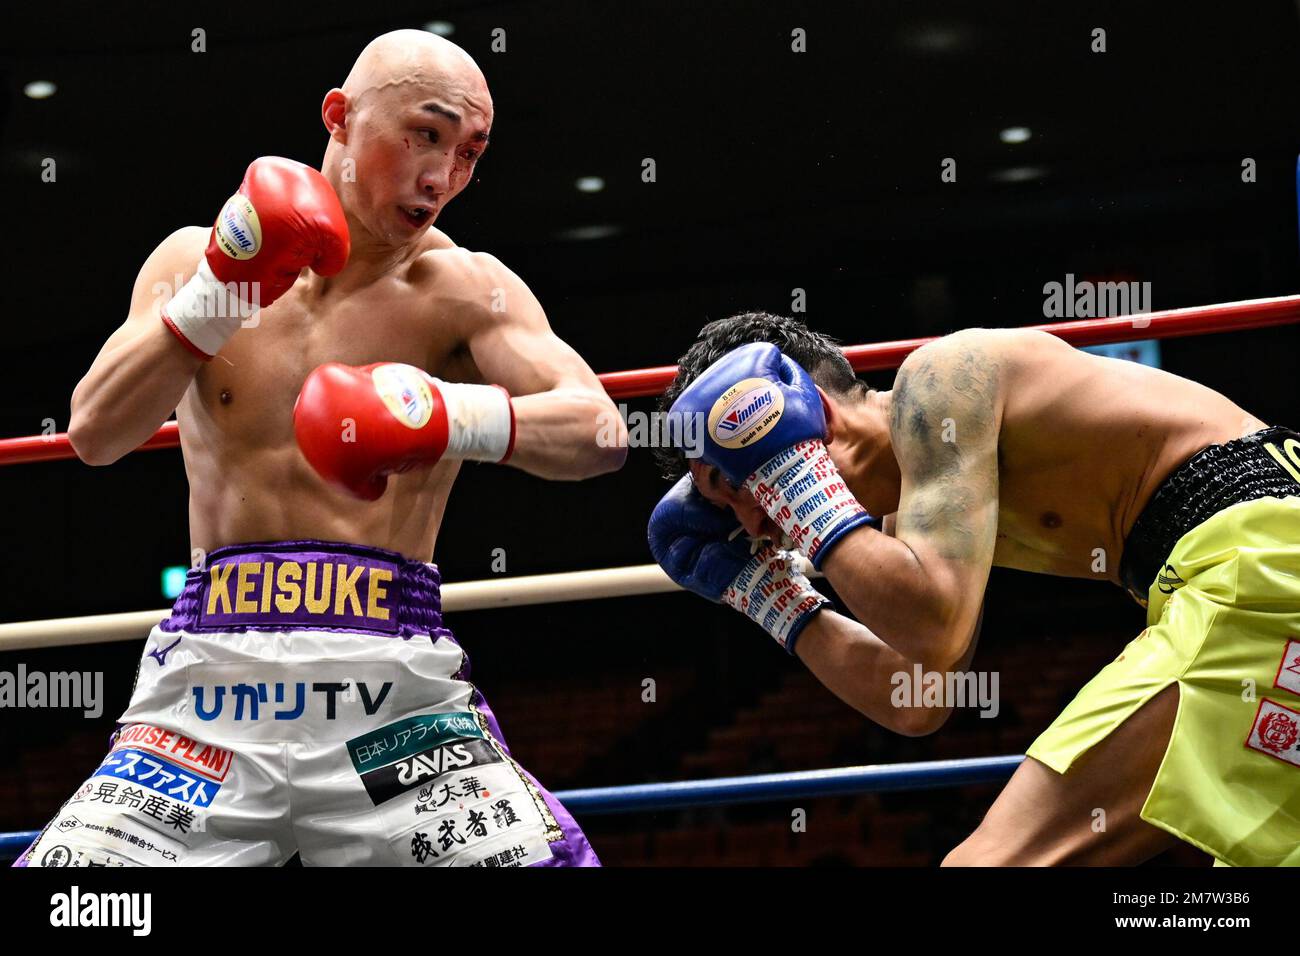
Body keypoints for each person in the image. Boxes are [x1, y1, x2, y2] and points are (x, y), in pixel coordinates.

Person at [16, 30, 623, 867]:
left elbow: (601, 431)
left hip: (395, 700)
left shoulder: (465, 287)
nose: (442, 177)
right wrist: (215, 296)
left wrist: (446, 415)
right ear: (339, 116)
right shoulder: (196, 258)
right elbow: (93, 432)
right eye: (425, 133)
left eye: (470, 152)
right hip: (206, 697)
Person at [647, 311, 1300, 866]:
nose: (757, 525)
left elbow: (933, 624)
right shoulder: (914, 521)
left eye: (740, 485)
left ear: (793, 412)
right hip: (1248, 578)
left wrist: (795, 484)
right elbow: (918, 698)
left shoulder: (941, 379)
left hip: (1261, 561)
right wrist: (777, 599)